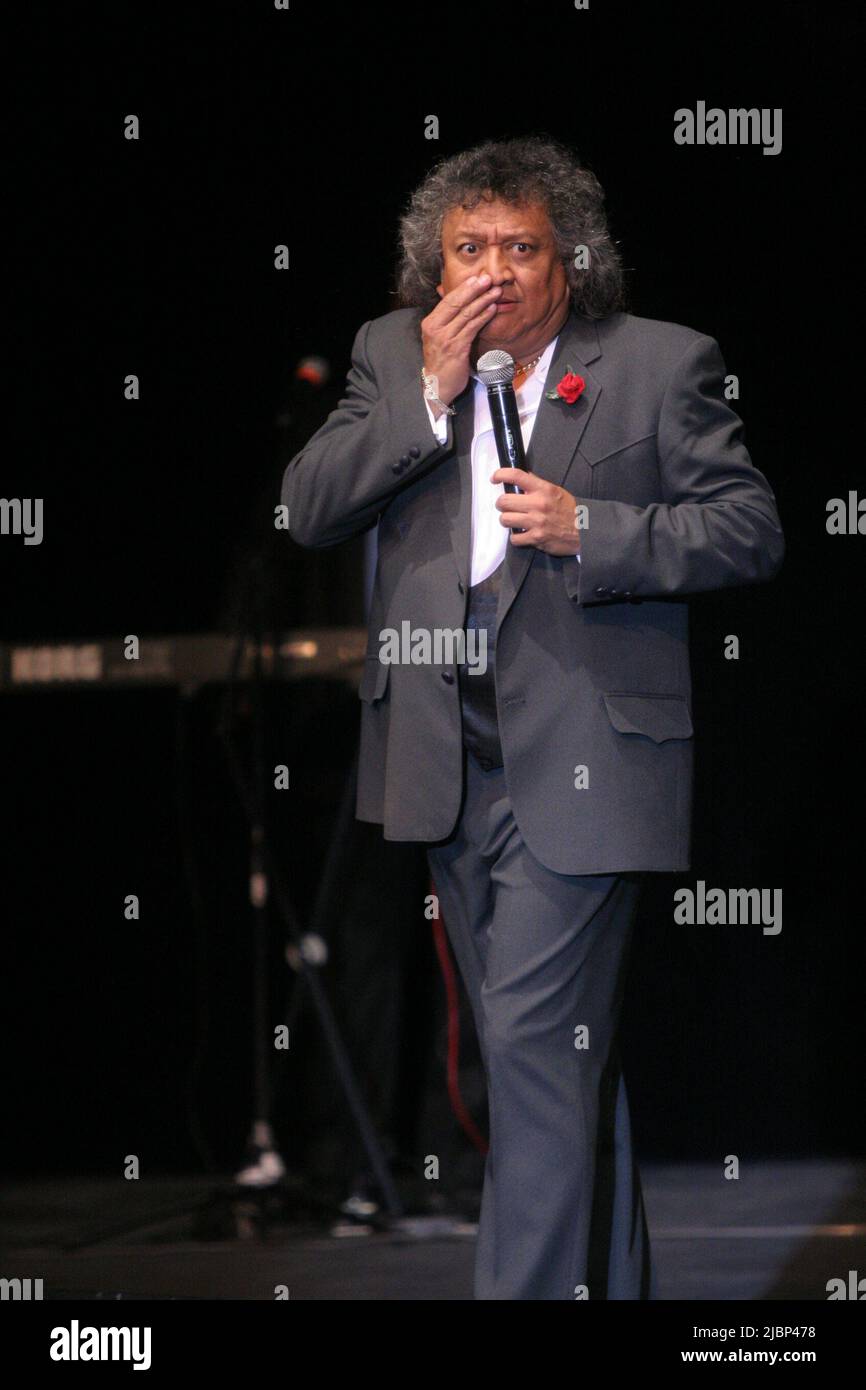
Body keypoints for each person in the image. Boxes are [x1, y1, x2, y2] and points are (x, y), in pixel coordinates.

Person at [281, 135, 785, 1300]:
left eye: (520, 247)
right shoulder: (386, 353)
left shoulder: (657, 362)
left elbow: (747, 528)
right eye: (469, 248)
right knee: (558, 1059)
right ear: (434, 262)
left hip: (584, 756)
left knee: (528, 1044)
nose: (493, 271)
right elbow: (306, 509)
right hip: (439, 753)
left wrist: (592, 527)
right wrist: (424, 396)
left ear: (571, 260)